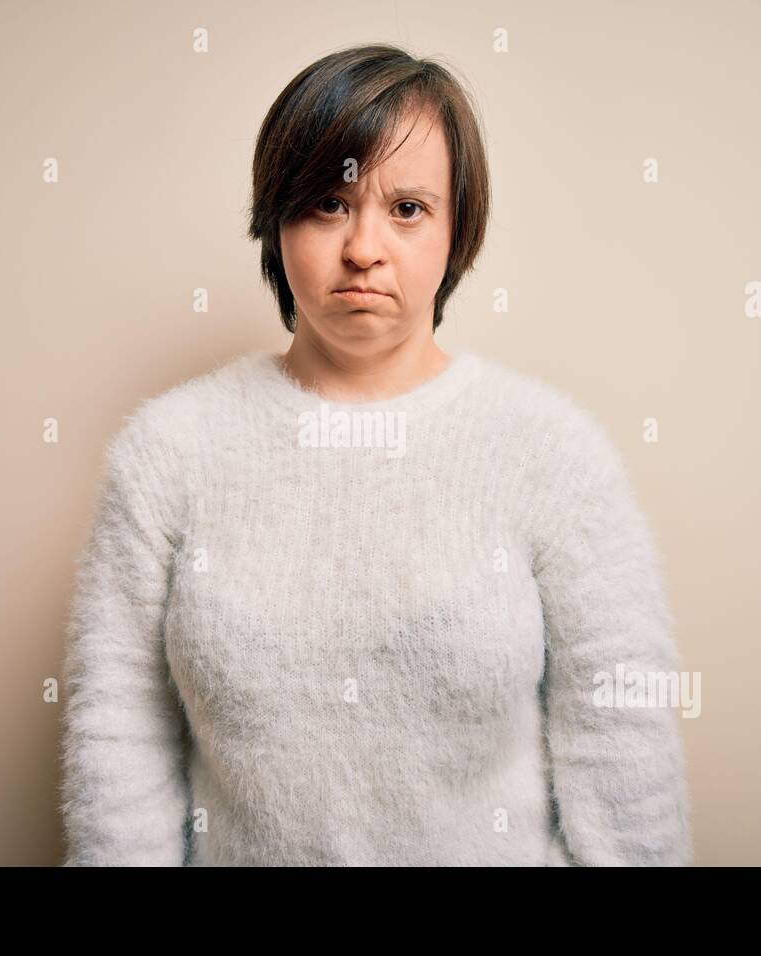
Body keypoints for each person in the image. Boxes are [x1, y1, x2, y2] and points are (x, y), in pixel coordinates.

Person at [58, 43, 694, 866]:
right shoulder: (168, 454)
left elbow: (624, 755)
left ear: (457, 230)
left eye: (407, 209)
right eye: (328, 202)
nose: (364, 247)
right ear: (275, 220)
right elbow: (118, 745)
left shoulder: (552, 454)